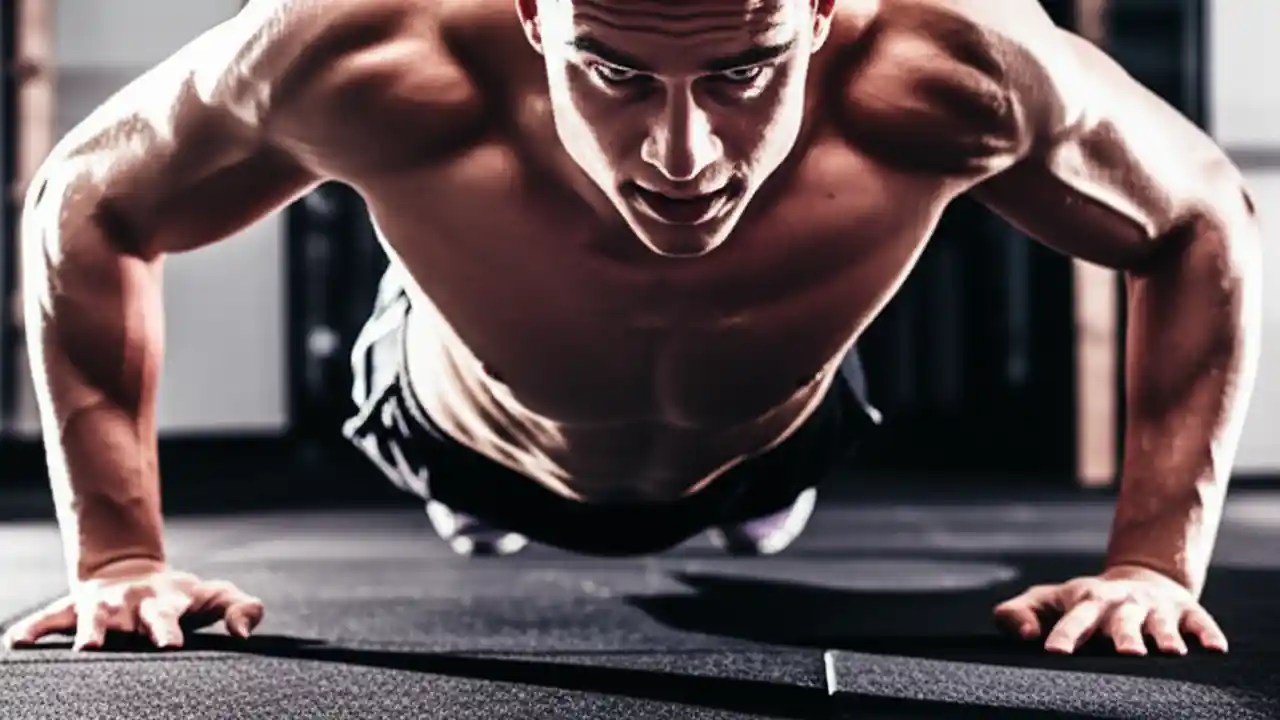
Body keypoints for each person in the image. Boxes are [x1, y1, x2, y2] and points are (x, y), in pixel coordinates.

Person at [0, 0, 1258, 660]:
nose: (681, 155)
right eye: (612, 71)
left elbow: (1196, 212)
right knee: (483, 473)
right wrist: (118, 560)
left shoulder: (960, 63)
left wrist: (1149, 565)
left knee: (763, 475)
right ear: (536, 15)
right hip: (456, 439)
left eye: (740, 71)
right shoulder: (361, 48)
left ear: (819, 9)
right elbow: (86, 200)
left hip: (785, 432)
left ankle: (758, 483)